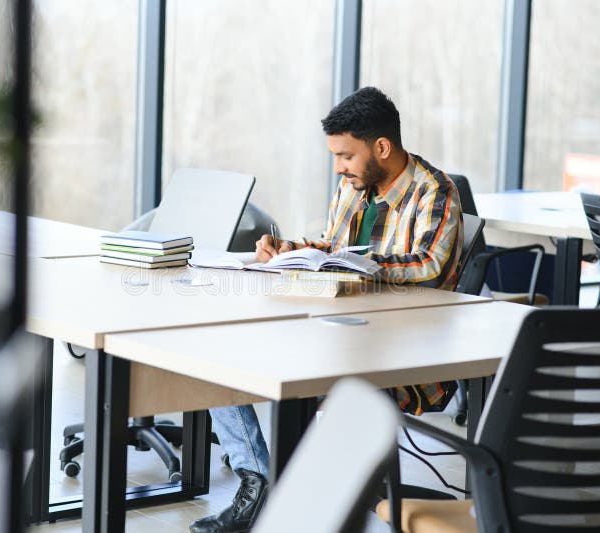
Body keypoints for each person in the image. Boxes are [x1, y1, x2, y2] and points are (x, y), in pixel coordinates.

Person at [189, 86, 463, 533]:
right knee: (223, 353)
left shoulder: (434, 191)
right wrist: (289, 250)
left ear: (381, 147)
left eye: (346, 156)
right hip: (339, 333)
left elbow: (429, 267)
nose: (339, 167)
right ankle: (260, 481)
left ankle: (281, 497)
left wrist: (358, 266)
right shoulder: (354, 186)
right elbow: (334, 248)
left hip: (405, 354)